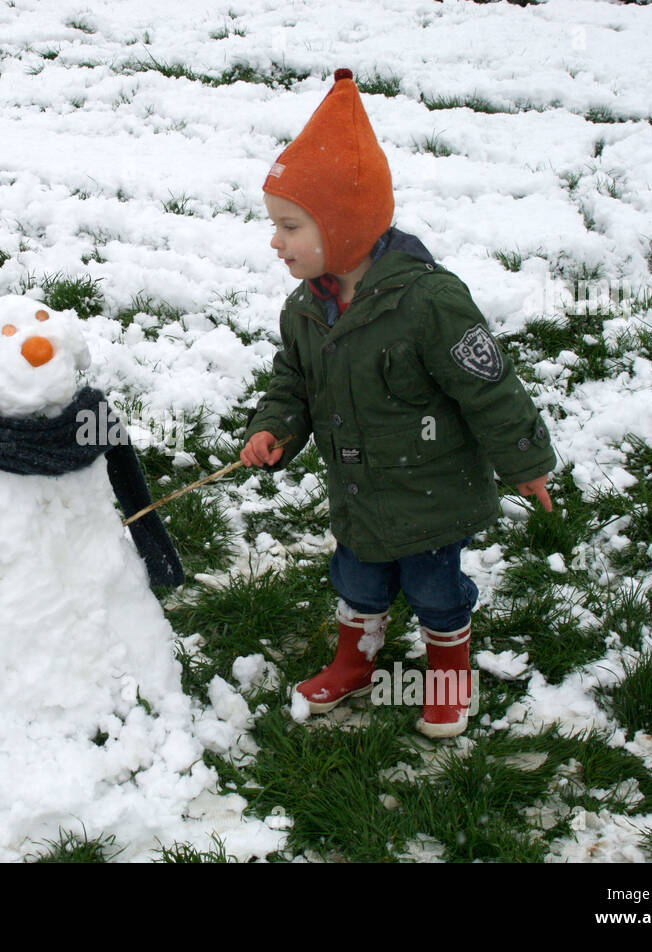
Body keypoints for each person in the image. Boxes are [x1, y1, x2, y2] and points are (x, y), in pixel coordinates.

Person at [240, 68, 556, 739]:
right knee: (356, 580)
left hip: (431, 497)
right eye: (276, 226)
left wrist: (524, 459)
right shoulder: (306, 309)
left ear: (345, 226)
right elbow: (292, 381)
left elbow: (489, 384)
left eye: (291, 226)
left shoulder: (430, 302)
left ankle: (447, 678)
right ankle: (357, 660)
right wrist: (274, 428)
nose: (276, 242)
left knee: (438, 593)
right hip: (358, 493)